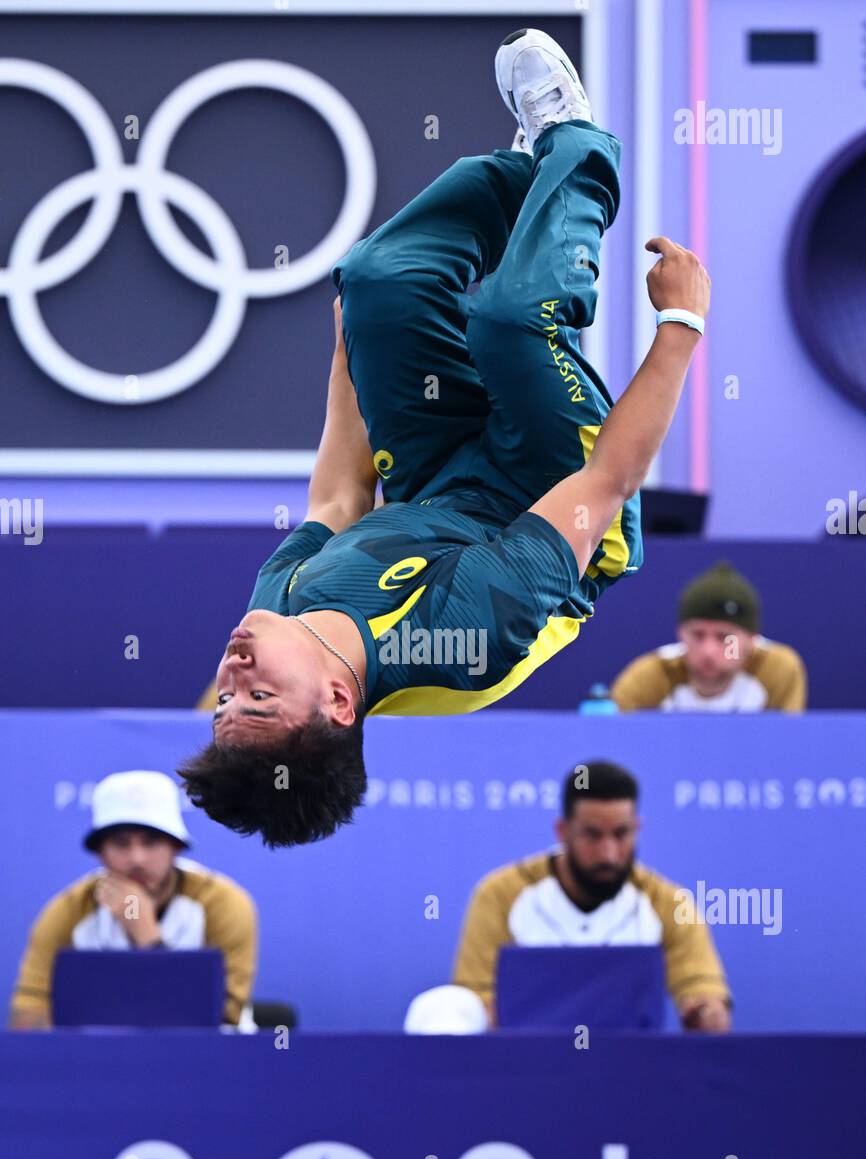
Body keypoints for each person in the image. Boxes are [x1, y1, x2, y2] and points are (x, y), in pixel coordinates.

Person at [179, 28, 711, 847]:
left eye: (223, 700)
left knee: (374, 281)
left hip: (439, 484)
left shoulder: (274, 613)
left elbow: (340, 494)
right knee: (508, 321)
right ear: (338, 703)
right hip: (556, 508)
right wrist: (680, 320)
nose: (233, 675)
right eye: (258, 699)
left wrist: (349, 341)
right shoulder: (459, 639)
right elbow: (605, 481)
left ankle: (524, 176)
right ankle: (577, 145)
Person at [453, 761, 731, 1031]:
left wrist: (706, 1013)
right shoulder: (500, 895)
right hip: (523, 1067)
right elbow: (475, 1002)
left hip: (635, 1068)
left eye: (621, 834)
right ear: (563, 832)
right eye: (592, 835)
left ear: (637, 829)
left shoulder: (669, 903)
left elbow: (704, 994)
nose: (608, 854)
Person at [8, 771, 257, 1029]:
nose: (137, 858)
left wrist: (147, 935)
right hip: (96, 1063)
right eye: (121, 843)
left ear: (176, 848)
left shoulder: (225, 905)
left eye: (151, 842)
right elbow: (27, 1017)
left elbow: (222, 1020)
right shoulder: (68, 909)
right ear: (100, 853)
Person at [611, 561, 807, 712]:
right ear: (680, 633)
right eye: (697, 635)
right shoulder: (649, 677)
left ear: (752, 639)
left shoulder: (778, 670)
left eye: (724, 638)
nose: (708, 651)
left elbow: (789, 749)